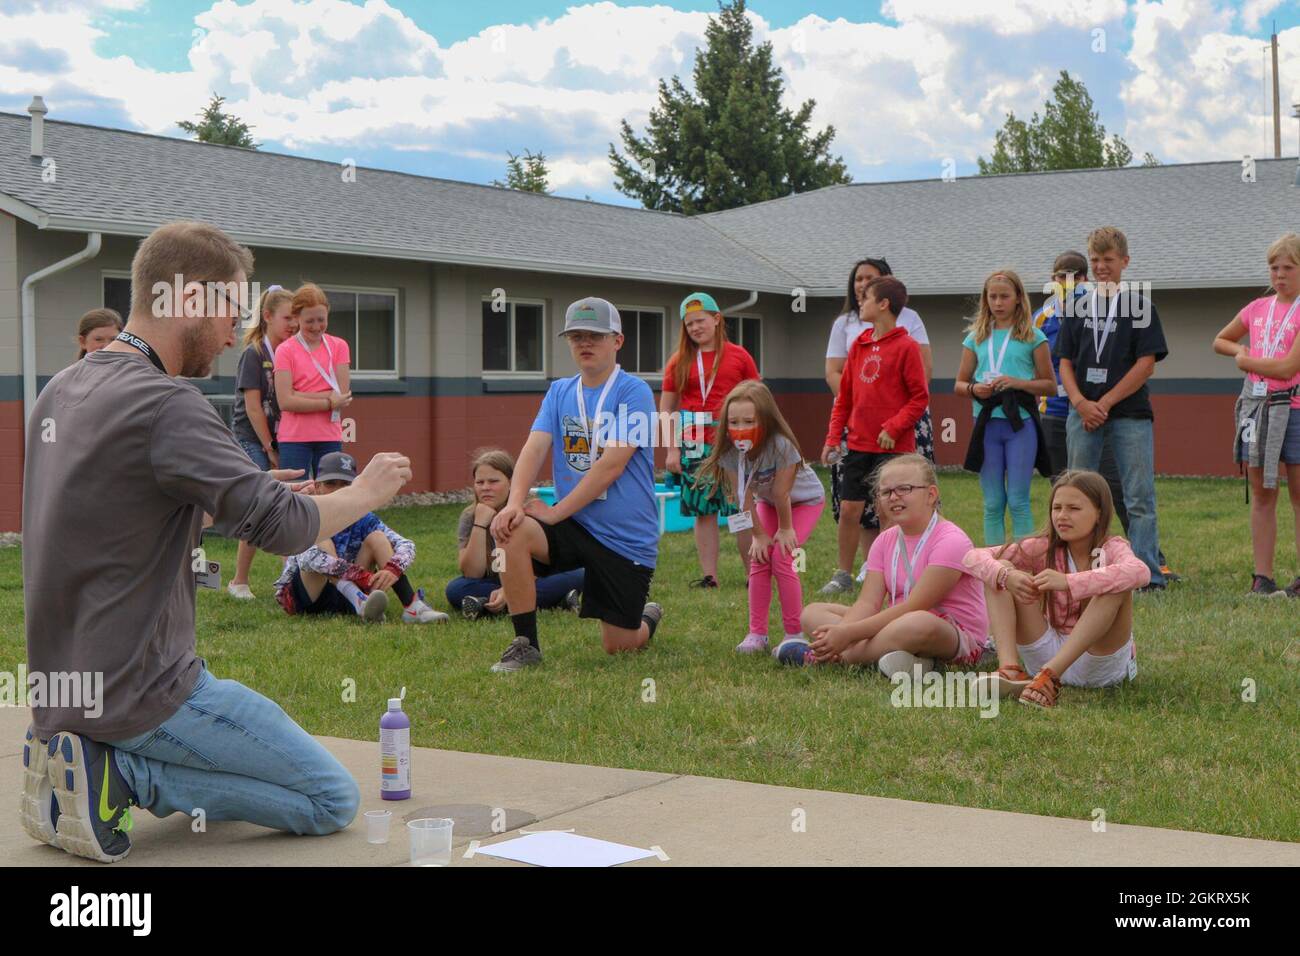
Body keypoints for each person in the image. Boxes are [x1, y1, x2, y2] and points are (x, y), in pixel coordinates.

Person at [21, 220, 412, 863]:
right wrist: (366, 492)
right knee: (331, 799)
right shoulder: (165, 401)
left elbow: (109, 512)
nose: (237, 335)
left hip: (62, 689)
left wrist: (238, 485)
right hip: (144, 690)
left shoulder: (61, 390)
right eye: (232, 311)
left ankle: (83, 754)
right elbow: (285, 531)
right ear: (193, 299)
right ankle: (118, 777)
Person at [487, 298, 664, 672]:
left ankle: (646, 618)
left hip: (624, 537)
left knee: (619, 646)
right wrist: (514, 503)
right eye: (576, 336)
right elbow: (534, 448)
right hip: (576, 524)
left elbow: (611, 466)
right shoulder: (559, 391)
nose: (585, 343)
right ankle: (526, 644)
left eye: (595, 336)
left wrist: (552, 513)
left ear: (617, 341)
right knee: (510, 530)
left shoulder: (635, 392)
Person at [1038, 253, 1180, 580]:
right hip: (1082, 412)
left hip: (1129, 413)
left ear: (1125, 261)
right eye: (1096, 260)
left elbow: (1146, 365)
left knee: (1138, 496)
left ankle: (1147, 574)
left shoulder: (1141, 307)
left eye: (1109, 259)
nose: (1102, 266)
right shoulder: (1075, 308)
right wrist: (1080, 402)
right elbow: (1064, 363)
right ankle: (1078, 567)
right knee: (1077, 494)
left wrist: (1103, 403)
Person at [963, 470, 1148, 708]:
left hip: (1099, 662)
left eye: (1074, 508)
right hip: (1045, 650)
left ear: (1099, 513)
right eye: (1057, 508)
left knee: (1116, 585)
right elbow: (971, 557)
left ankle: (1051, 676)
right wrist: (1005, 576)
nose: (1062, 516)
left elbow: (1140, 572)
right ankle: (1010, 670)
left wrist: (1069, 581)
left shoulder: (1111, 547)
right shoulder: (1043, 547)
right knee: (1000, 567)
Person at [797, 455, 988, 677]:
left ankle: (841, 658)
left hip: (948, 633)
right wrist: (842, 631)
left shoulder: (952, 541)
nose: (894, 497)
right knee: (812, 613)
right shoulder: (885, 540)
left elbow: (915, 606)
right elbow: (868, 603)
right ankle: (908, 659)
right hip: (897, 623)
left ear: (931, 494)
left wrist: (848, 635)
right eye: (886, 492)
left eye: (904, 489)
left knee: (919, 623)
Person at [822, 257, 934, 593]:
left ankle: (887, 573)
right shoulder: (858, 345)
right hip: (857, 443)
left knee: (889, 511)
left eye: (867, 297)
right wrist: (832, 438)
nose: (861, 301)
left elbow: (919, 397)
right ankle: (842, 574)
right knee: (850, 509)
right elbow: (844, 397)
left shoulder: (906, 347)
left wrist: (894, 427)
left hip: (893, 448)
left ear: (883, 304)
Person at [695, 380, 825, 654]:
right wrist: (758, 534)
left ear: (765, 420)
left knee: (782, 557)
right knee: (760, 558)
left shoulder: (781, 445)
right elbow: (742, 496)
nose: (740, 429)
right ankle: (757, 634)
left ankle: (794, 633)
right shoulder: (731, 453)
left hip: (803, 502)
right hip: (766, 502)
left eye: (748, 421)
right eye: (734, 422)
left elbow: (781, 493)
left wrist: (786, 530)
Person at [1212, 233, 1300, 596]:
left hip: (1293, 408)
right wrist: (1239, 349)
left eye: (1288, 267)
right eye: (1274, 267)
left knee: (1298, 494)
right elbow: (1220, 340)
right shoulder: (1257, 308)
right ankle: (1262, 577)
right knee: (1262, 492)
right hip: (1257, 407)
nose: (1279, 275)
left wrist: (1246, 361)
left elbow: (1286, 368)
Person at [273, 451, 448, 623]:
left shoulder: (363, 517)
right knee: (321, 539)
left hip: (348, 596)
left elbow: (406, 545)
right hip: (311, 598)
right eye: (330, 483)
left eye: (345, 484)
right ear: (318, 487)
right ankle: (358, 600)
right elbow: (310, 559)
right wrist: (362, 577)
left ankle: (412, 606)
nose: (338, 490)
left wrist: (392, 569)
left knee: (378, 537)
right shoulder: (307, 515)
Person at [661, 291, 759, 588]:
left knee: (741, 508)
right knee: (703, 510)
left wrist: (758, 439)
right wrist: (671, 450)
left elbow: (758, 399)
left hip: (733, 439)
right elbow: (666, 408)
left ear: (717, 319)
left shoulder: (740, 356)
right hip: (693, 439)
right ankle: (709, 576)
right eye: (689, 324)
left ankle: (751, 574)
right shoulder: (679, 360)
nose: (695, 328)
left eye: (700, 321)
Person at [955, 269, 1055, 544]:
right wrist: (976, 389)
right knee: (992, 502)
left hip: (1019, 424)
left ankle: (1024, 566)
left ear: (1019, 299)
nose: (998, 303)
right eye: (992, 297)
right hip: (987, 424)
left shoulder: (1034, 337)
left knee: (1018, 499)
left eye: (1004, 297)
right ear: (985, 300)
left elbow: (1049, 385)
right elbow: (959, 385)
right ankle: (995, 567)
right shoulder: (974, 337)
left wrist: (1018, 383)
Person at [446, 448, 584, 619]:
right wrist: (480, 524)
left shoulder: (528, 512)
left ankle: (486, 604)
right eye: (480, 482)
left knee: (579, 575)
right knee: (455, 588)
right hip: (492, 581)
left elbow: (542, 566)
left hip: (534, 578)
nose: (485, 488)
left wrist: (510, 589)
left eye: (493, 481)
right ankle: (555, 600)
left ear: (511, 482)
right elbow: (472, 573)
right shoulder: (470, 516)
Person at [228, 284, 297, 600]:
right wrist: (269, 448)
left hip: (284, 438)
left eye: (296, 317)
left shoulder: (292, 352)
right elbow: (254, 407)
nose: (293, 324)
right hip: (253, 438)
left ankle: (289, 577)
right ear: (267, 317)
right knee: (258, 504)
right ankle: (239, 580)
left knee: (286, 504)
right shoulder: (254, 354)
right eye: (287, 317)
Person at [273, 283, 352, 478]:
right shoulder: (285, 350)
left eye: (321, 320)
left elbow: (341, 394)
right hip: (294, 438)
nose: (316, 327)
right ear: (297, 317)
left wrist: (297, 395)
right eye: (309, 321)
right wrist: (328, 402)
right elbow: (285, 401)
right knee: (294, 495)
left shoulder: (339, 346)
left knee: (331, 495)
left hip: (329, 436)